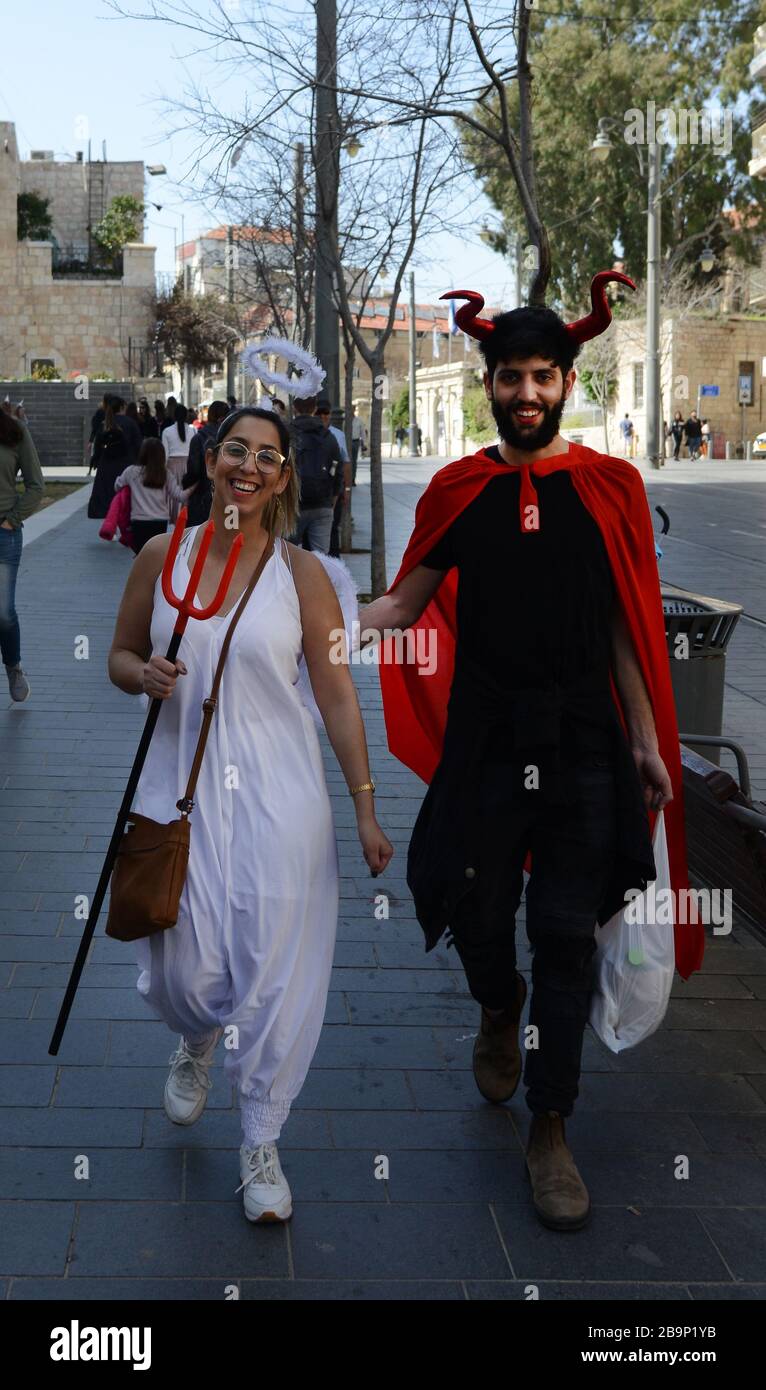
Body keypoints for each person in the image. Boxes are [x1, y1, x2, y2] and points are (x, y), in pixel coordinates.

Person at [361, 273, 703, 1233]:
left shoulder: (610, 487)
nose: (526, 393)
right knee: (468, 903)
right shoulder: (460, 489)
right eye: (510, 375)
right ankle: (495, 1001)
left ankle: (550, 1125)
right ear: (490, 382)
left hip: (585, 740)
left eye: (542, 376)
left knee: (562, 929)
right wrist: (304, 618)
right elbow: (402, 605)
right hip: (486, 733)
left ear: (566, 381)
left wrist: (643, 738)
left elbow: (628, 629)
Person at [107, 405, 393, 1222]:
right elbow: (119, 656)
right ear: (209, 457)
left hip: (280, 796)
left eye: (269, 456)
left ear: (282, 477)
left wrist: (365, 809)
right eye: (237, 448)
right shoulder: (163, 555)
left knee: (274, 971)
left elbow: (337, 696)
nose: (251, 465)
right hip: (180, 791)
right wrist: (142, 676)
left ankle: (261, 1138)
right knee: (185, 973)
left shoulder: (303, 576)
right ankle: (198, 1037)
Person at [0, 409, 44, 701]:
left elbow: (36, 485)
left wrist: (11, 520)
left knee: (3, 612)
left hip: (4, 533)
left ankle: (13, 666)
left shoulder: (14, 431)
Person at [114, 438, 197, 554]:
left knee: (141, 555)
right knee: (156, 556)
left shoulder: (131, 472)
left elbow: (117, 486)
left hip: (139, 520)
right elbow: (180, 496)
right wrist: (195, 485)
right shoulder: (164, 474)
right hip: (160, 521)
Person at [289, 394, 342, 555]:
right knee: (321, 560)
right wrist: (331, 501)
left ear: (294, 408)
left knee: (286, 556)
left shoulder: (286, 433)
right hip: (322, 505)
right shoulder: (329, 436)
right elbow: (337, 471)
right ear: (314, 409)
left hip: (293, 505)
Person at [88, 397, 141, 519]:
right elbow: (138, 444)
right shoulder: (130, 423)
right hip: (126, 464)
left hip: (106, 465)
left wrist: (96, 460)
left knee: (107, 495)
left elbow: (98, 447)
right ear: (122, 407)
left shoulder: (105, 424)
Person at [182, 399, 229, 526]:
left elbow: (194, 470)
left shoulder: (198, 438)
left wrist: (185, 483)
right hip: (227, 497)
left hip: (202, 495)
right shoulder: (231, 440)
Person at [315, 399, 353, 559]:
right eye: (320, 413)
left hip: (333, 489)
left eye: (326, 413)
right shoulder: (311, 433)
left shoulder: (338, 435)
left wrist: (347, 489)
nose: (323, 416)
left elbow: (346, 463)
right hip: (315, 490)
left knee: (332, 529)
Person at [162, 405, 192, 524]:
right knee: (186, 495)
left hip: (171, 466)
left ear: (174, 416)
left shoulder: (166, 431)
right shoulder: (193, 430)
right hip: (189, 465)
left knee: (172, 495)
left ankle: (173, 520)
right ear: (187, 416)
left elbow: (165, 454)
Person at [350, 406, 366, 485]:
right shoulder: (344, 420)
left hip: (355, 442)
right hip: (347, 441)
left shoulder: (359, 420)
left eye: (352, 409)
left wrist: (364, 444)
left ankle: (353, 478)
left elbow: (362, 433)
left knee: (354, 462)